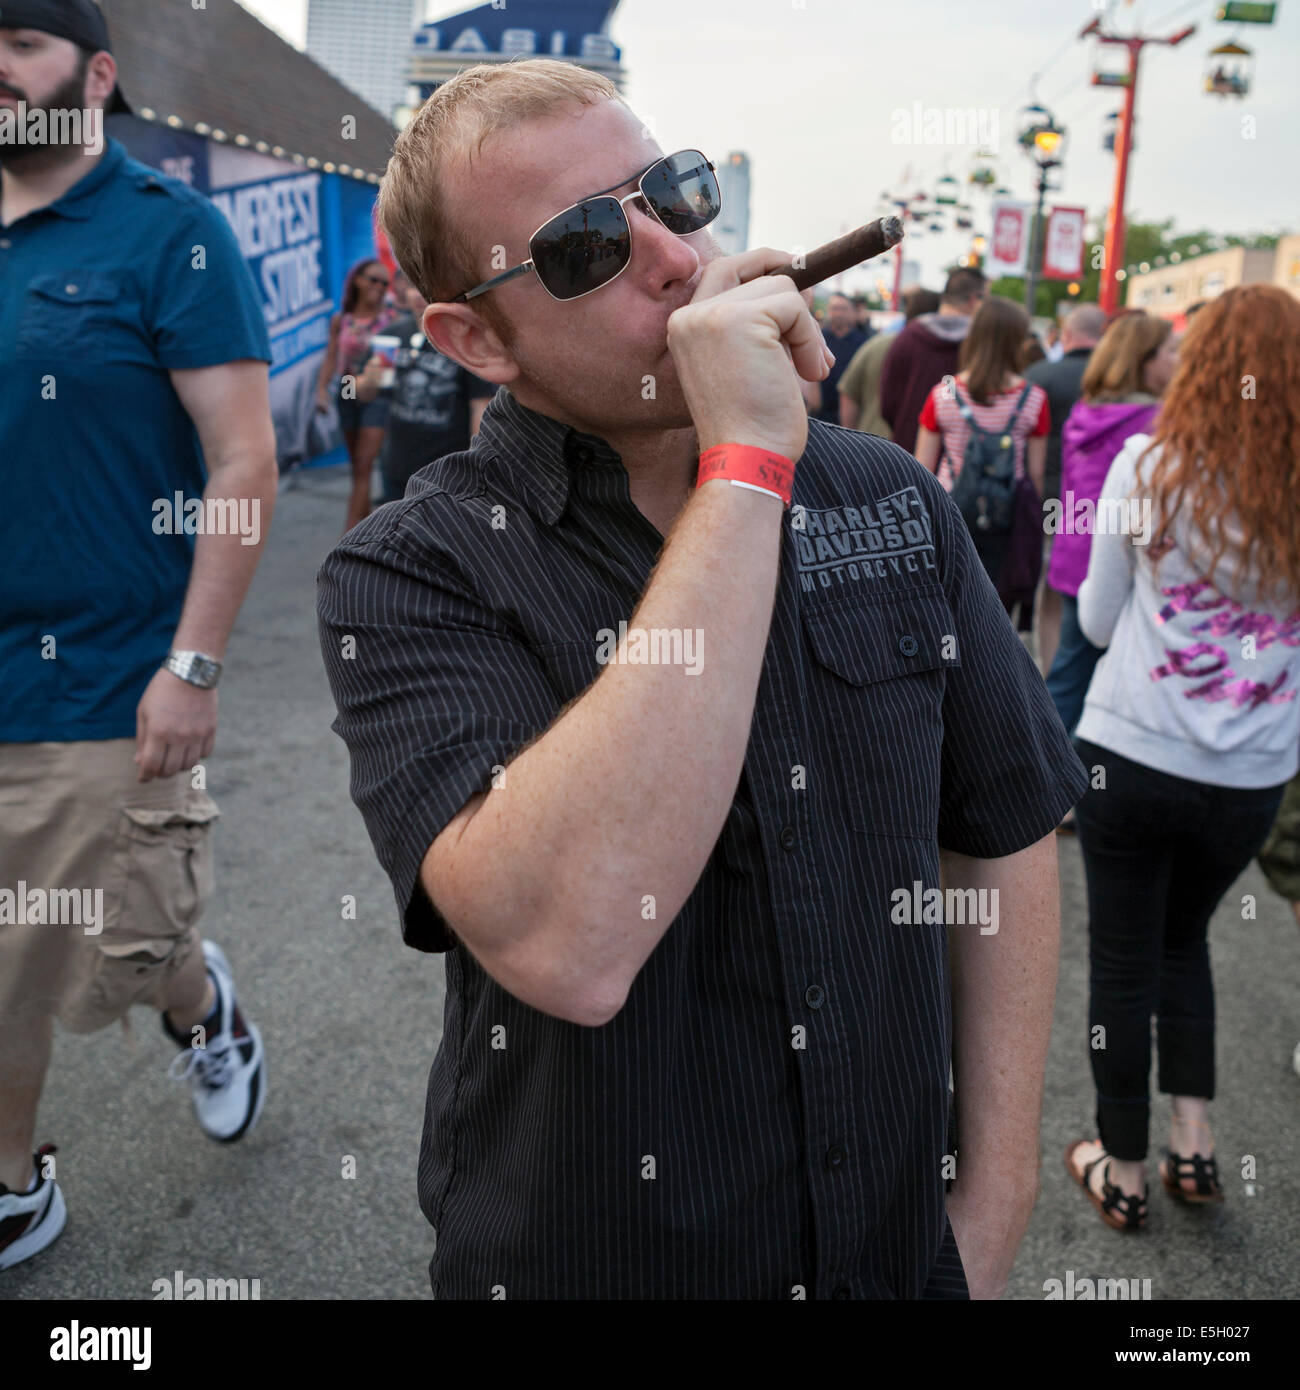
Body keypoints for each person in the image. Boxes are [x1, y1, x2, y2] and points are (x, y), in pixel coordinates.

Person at [317, 57, 1088, 1302]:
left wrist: (991, 1203)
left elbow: (999, 830)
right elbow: (572, 942)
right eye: (581, 247)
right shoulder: (411, 572)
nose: (673, 258)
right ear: (475, 338)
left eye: (669, 195)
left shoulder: (888, 497)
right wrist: (741, 474)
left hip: (891, 1256)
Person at [0, 0, 274, 1269]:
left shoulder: (171, 236)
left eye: (20, 46)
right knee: (11, 952)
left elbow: (242, 458)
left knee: (93, 949)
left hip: (106, 680)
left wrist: (192, 665)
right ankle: (14, 1183)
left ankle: (197, 1002)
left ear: (95, 75)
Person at [1064, 285, 1300, 1229]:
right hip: (1250, 773)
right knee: (1184, 943)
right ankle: (1194, 1147)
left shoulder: (1147, 466)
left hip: (1134, 748)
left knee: (1122, 960)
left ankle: (1120, 1168)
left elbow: (1092, 615)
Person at [1043, 312, 1175, 738]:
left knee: (1069, 669)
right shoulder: (1156, 423)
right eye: (1171, 352)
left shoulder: (1087, 411)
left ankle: (1044, 773)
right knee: (1117, 670)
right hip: (1124, 558)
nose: (1179, 361)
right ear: (1144, 360)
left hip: (1075, 549)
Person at [913, 296, 1048, 588]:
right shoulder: (1034, 398)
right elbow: (1036, 472)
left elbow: (922, 466)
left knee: (953, 594)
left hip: (950, 509)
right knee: (997, 598)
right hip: (1007, 513)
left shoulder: (944, 392)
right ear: (1018, 341)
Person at [354, 276, 495, 503]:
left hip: (448, 474)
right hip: (397, 468)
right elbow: (355, 393)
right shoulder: (391, 337)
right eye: (412, 288)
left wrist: (476, 465)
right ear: (402, 291)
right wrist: (368, 381)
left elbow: (481, 404)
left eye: (425, 288)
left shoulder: (463, 341)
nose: (419, 296)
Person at [1025, 304, 1107, 676]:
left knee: (1052, 585)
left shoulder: (1038, 376)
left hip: (1049, 496)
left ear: (1067, 334)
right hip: (1103, 500)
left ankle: (1049, 667)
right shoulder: (1115, 381)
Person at [315, 258, 401, 533]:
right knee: (357, 468)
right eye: (373, 280)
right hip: (348, 389)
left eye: (384, 283)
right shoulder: (342, 319)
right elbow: (331, 357)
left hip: (380, 393)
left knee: (364, 464)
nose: (379, 286)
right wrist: (321, 391)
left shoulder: (391, 319)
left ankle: (348, 538)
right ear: (358, 280)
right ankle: (365, 530)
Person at [879, 266, 987, 454]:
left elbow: (888, 403)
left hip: (906, 452)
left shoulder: (909, 336)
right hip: (962, 459)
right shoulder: (981, 344)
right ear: (973, 300)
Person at [838, 287, 940, 438]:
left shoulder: (876, 345)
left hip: (871, 441)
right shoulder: (941, 354)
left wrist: (850, 439)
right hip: (917, 446)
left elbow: (848, 391)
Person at [812, 290, 868, 425]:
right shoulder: (817, 338)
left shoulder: (864, 342)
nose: (838, 313)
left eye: (843, 309)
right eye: (834, 309)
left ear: (853, 312)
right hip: (819, 414)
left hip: (852, 416)